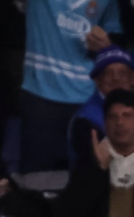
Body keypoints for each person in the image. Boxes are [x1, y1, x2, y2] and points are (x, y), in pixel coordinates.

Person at [18, 0, 123, 172]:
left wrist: (105, 45)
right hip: (41, 94)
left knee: (88, 176)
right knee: (36, 178)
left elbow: (115, 39)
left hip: (87, 99)